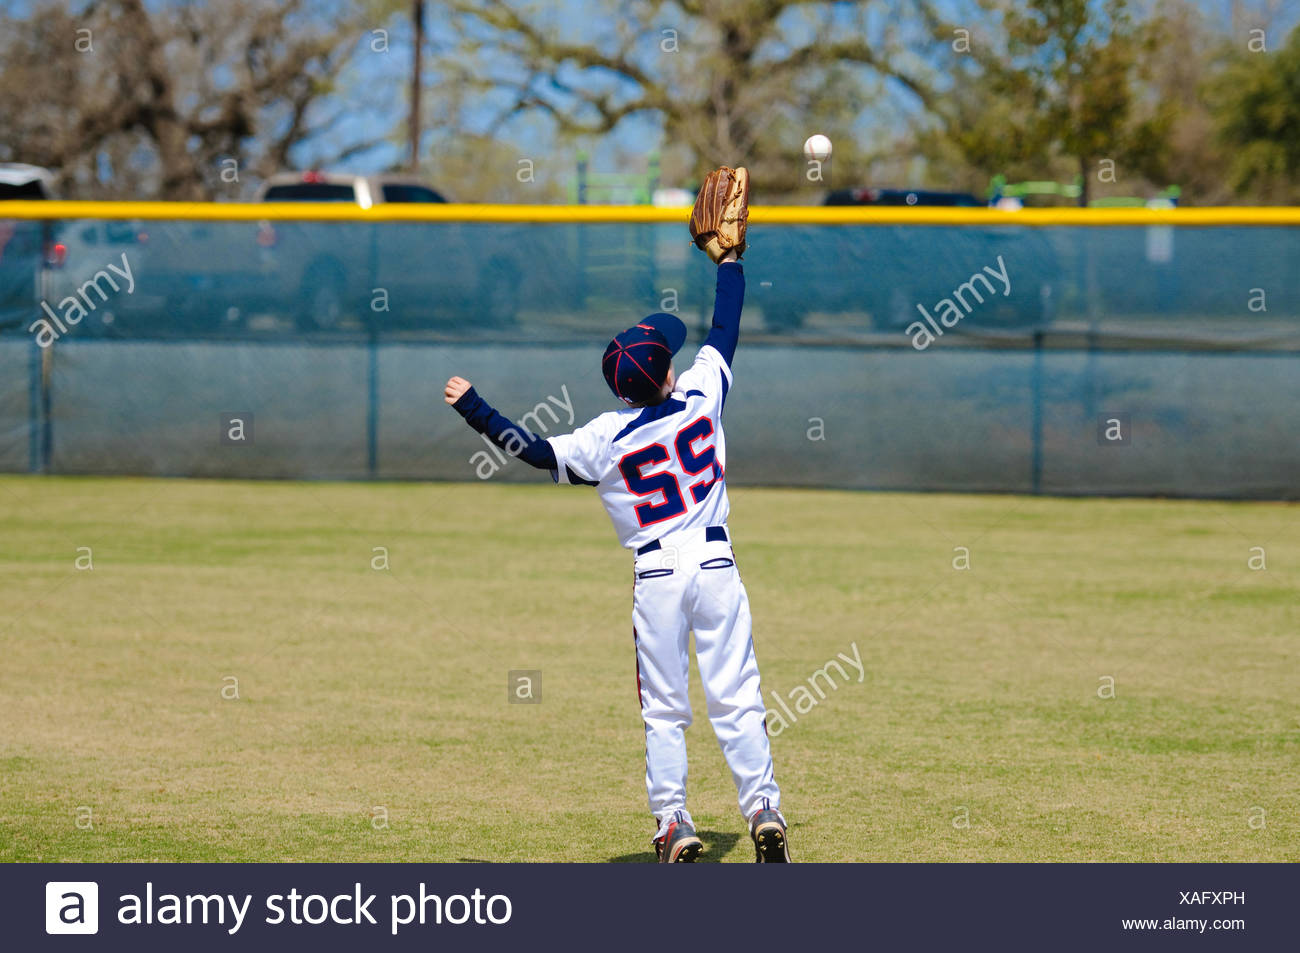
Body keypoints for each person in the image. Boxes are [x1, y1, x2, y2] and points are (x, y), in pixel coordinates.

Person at [444, 247, 789, 863]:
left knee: (664, 709)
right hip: (716, 566)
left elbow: (533, 452)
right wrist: (730, 261)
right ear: (667, 376)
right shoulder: (703, 395)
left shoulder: (603, 437)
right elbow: (725, 327)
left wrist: (476, 408)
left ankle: (674, 822)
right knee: (737, 695)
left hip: (656, 574)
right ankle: (763, 808)